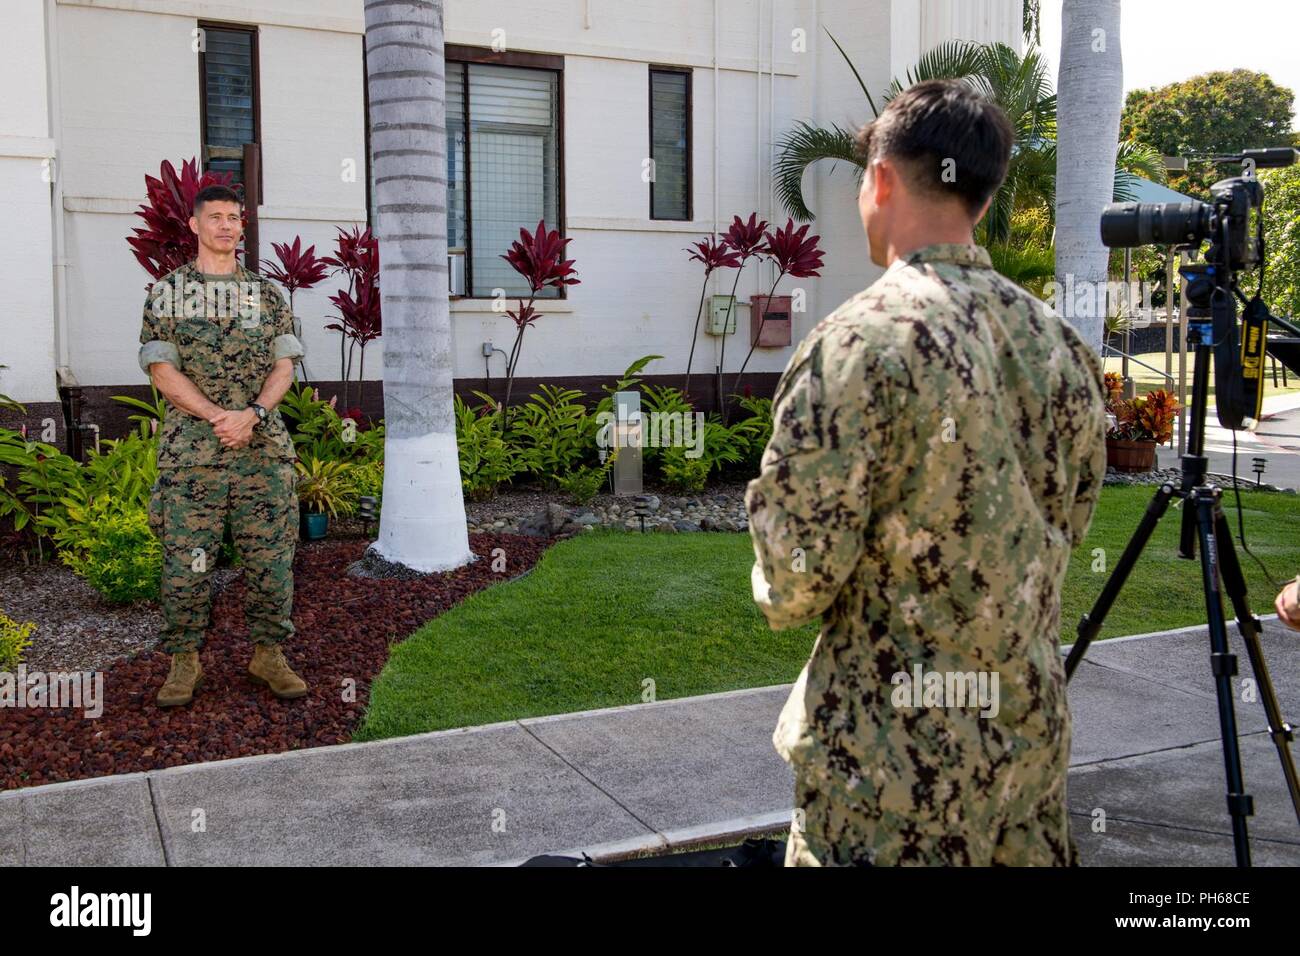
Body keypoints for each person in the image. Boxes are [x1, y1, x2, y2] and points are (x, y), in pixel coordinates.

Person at [745, 79, 1108, 866]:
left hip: (886, 782)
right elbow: (1071, 523)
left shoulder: (856, 345)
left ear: (879, 179)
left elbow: (794, 581)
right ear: (981, 194)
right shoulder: (1062, 348)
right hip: (1024, 757)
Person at [140, 184, 309, 707]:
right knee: (187, 562)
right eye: (215, 217)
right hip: (194, 454)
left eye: (235, 217)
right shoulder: (167, 293)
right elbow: (162, 370)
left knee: (272, 560)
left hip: (263, 452)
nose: (227, 226)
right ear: (194, 225)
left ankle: (268, 654)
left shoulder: (269, 294)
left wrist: (253, 415)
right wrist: (220, 417)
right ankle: (184, 661)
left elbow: (285, 366)